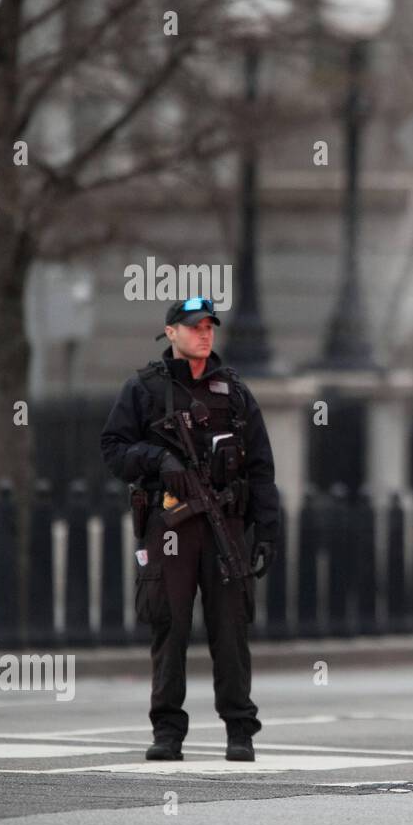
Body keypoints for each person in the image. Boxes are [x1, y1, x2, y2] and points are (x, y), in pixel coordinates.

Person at [100, 297, 280, 762]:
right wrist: (158, 459)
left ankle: (240, 730)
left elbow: (260, 467)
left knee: (231, 629)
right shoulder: (143, 389)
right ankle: (167, 732)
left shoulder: (235, 392)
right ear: (171, 332)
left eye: (209, 327)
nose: (204, 333)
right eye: (194, 326)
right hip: (171, 526)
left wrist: (266, 531)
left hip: (226, 526)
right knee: (169, 625)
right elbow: (114, 449)